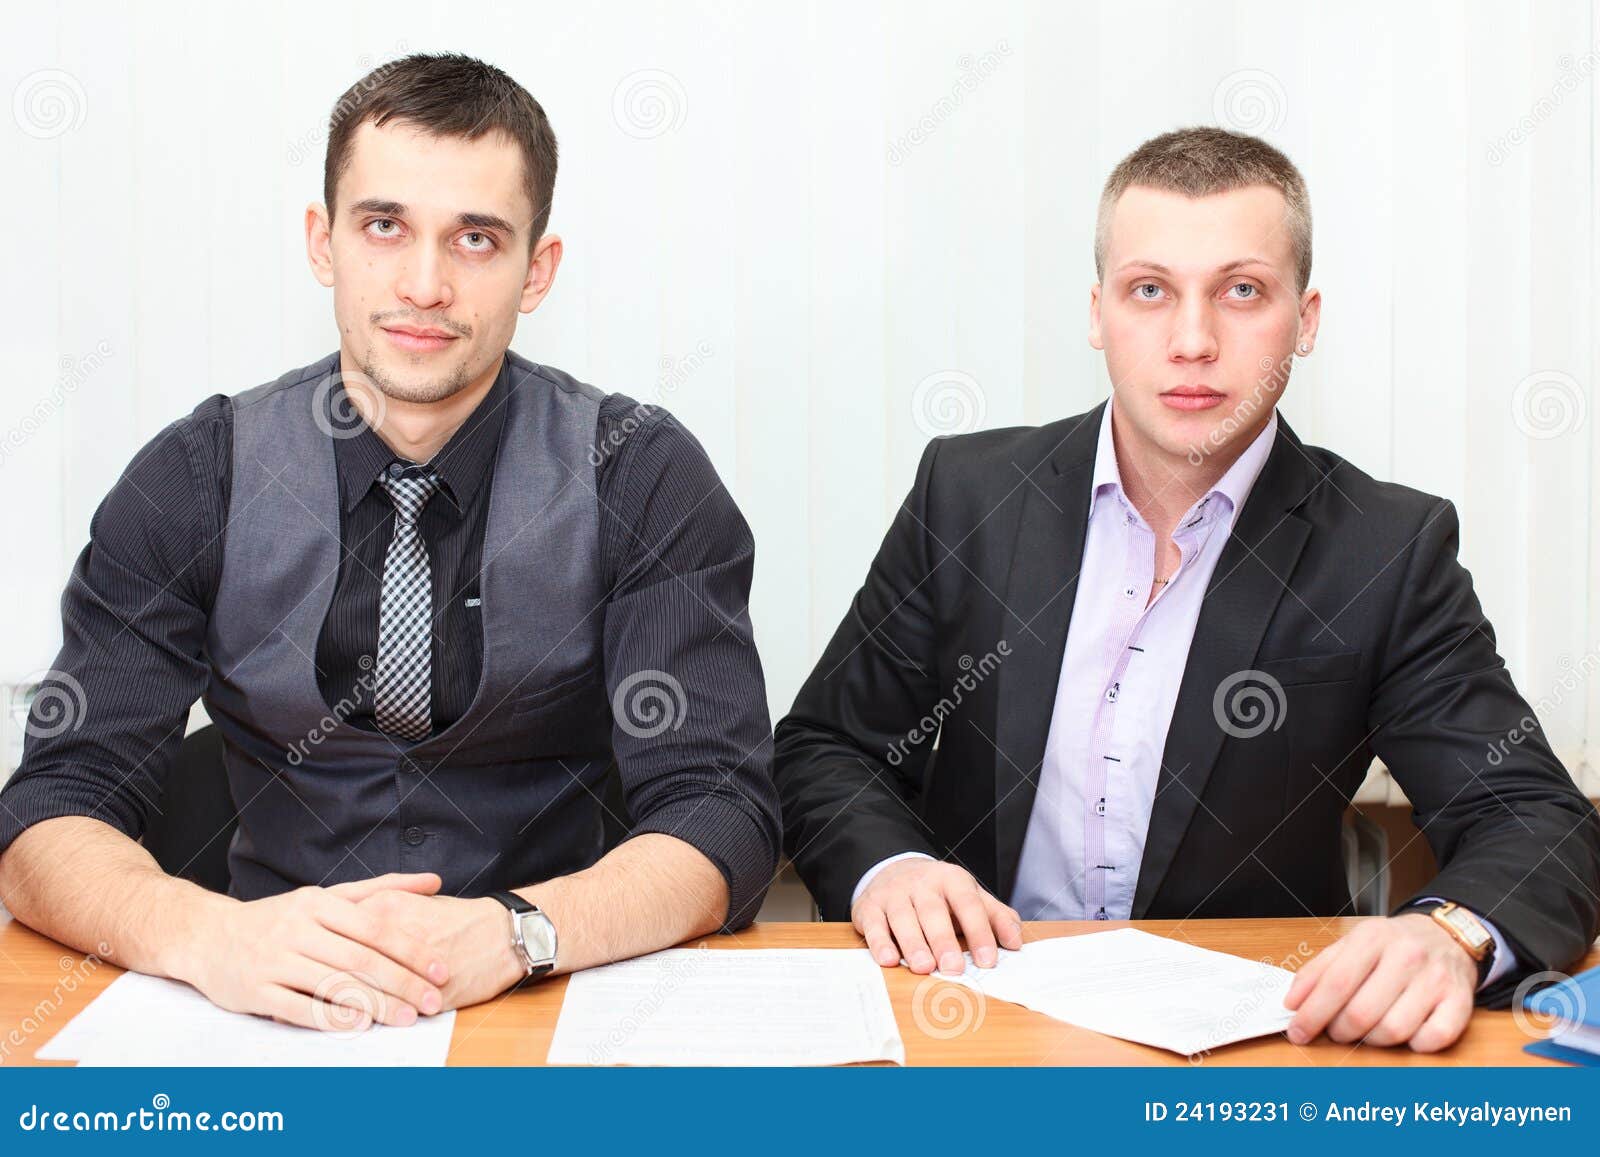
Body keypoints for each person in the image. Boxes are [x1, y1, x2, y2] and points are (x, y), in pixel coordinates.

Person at [774, 127, 1600, 1052]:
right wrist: (892, 864)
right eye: (1150, 291)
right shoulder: (967, 495)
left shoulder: (1385, 547)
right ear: (1097, 312)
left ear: (1307, 317)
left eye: (1242, 291)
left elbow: (1533, 816)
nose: (1194, 340)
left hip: (1250, 1047)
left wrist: (1450, 934)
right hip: (969, 1020)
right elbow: (826, 747)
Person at [0, 53, 780, 1032]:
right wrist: (203, 935)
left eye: (477, 239)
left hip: (556, 998)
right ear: (323, 242)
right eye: (384, 226)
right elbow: (53, 805)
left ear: (537, 269)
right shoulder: (198, 475)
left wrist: (516, 933)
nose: (425, 282)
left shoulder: (640, 471)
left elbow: (719, 811)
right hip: (257, 1003)